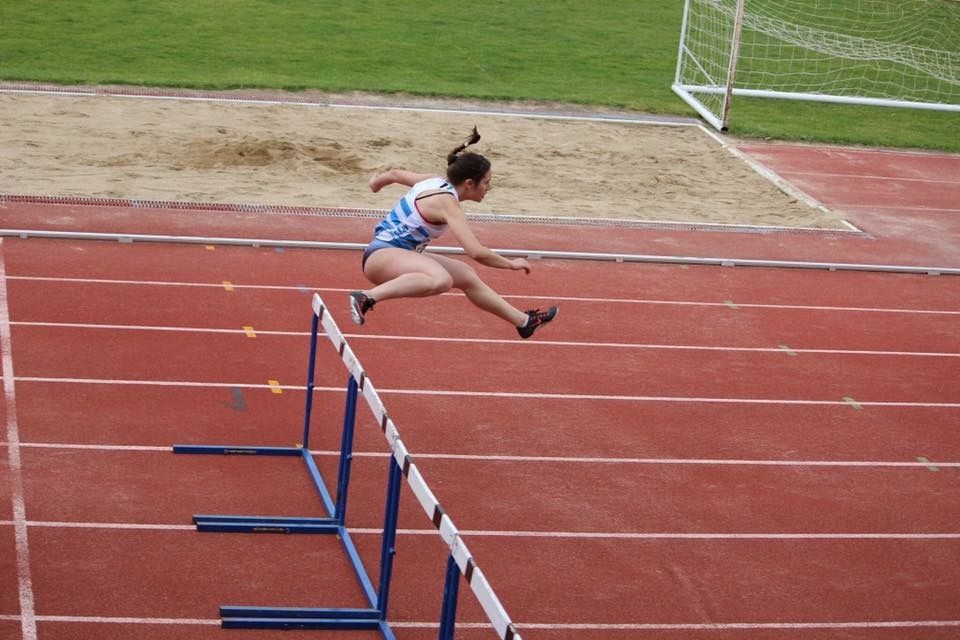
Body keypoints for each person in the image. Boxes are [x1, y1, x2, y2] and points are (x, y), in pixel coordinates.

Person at [349, 127, 558, 339]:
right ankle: (367, 297)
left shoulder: (434, 181)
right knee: (442, 279)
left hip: (399, 253)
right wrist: (511, 264)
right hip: (381, 257)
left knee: (466, 275)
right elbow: (476, 251)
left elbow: (394, 174)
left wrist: (375, 183)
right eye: (486, 182)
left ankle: (523, 322)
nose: (489, 188)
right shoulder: (448, 204)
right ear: (469, 183)